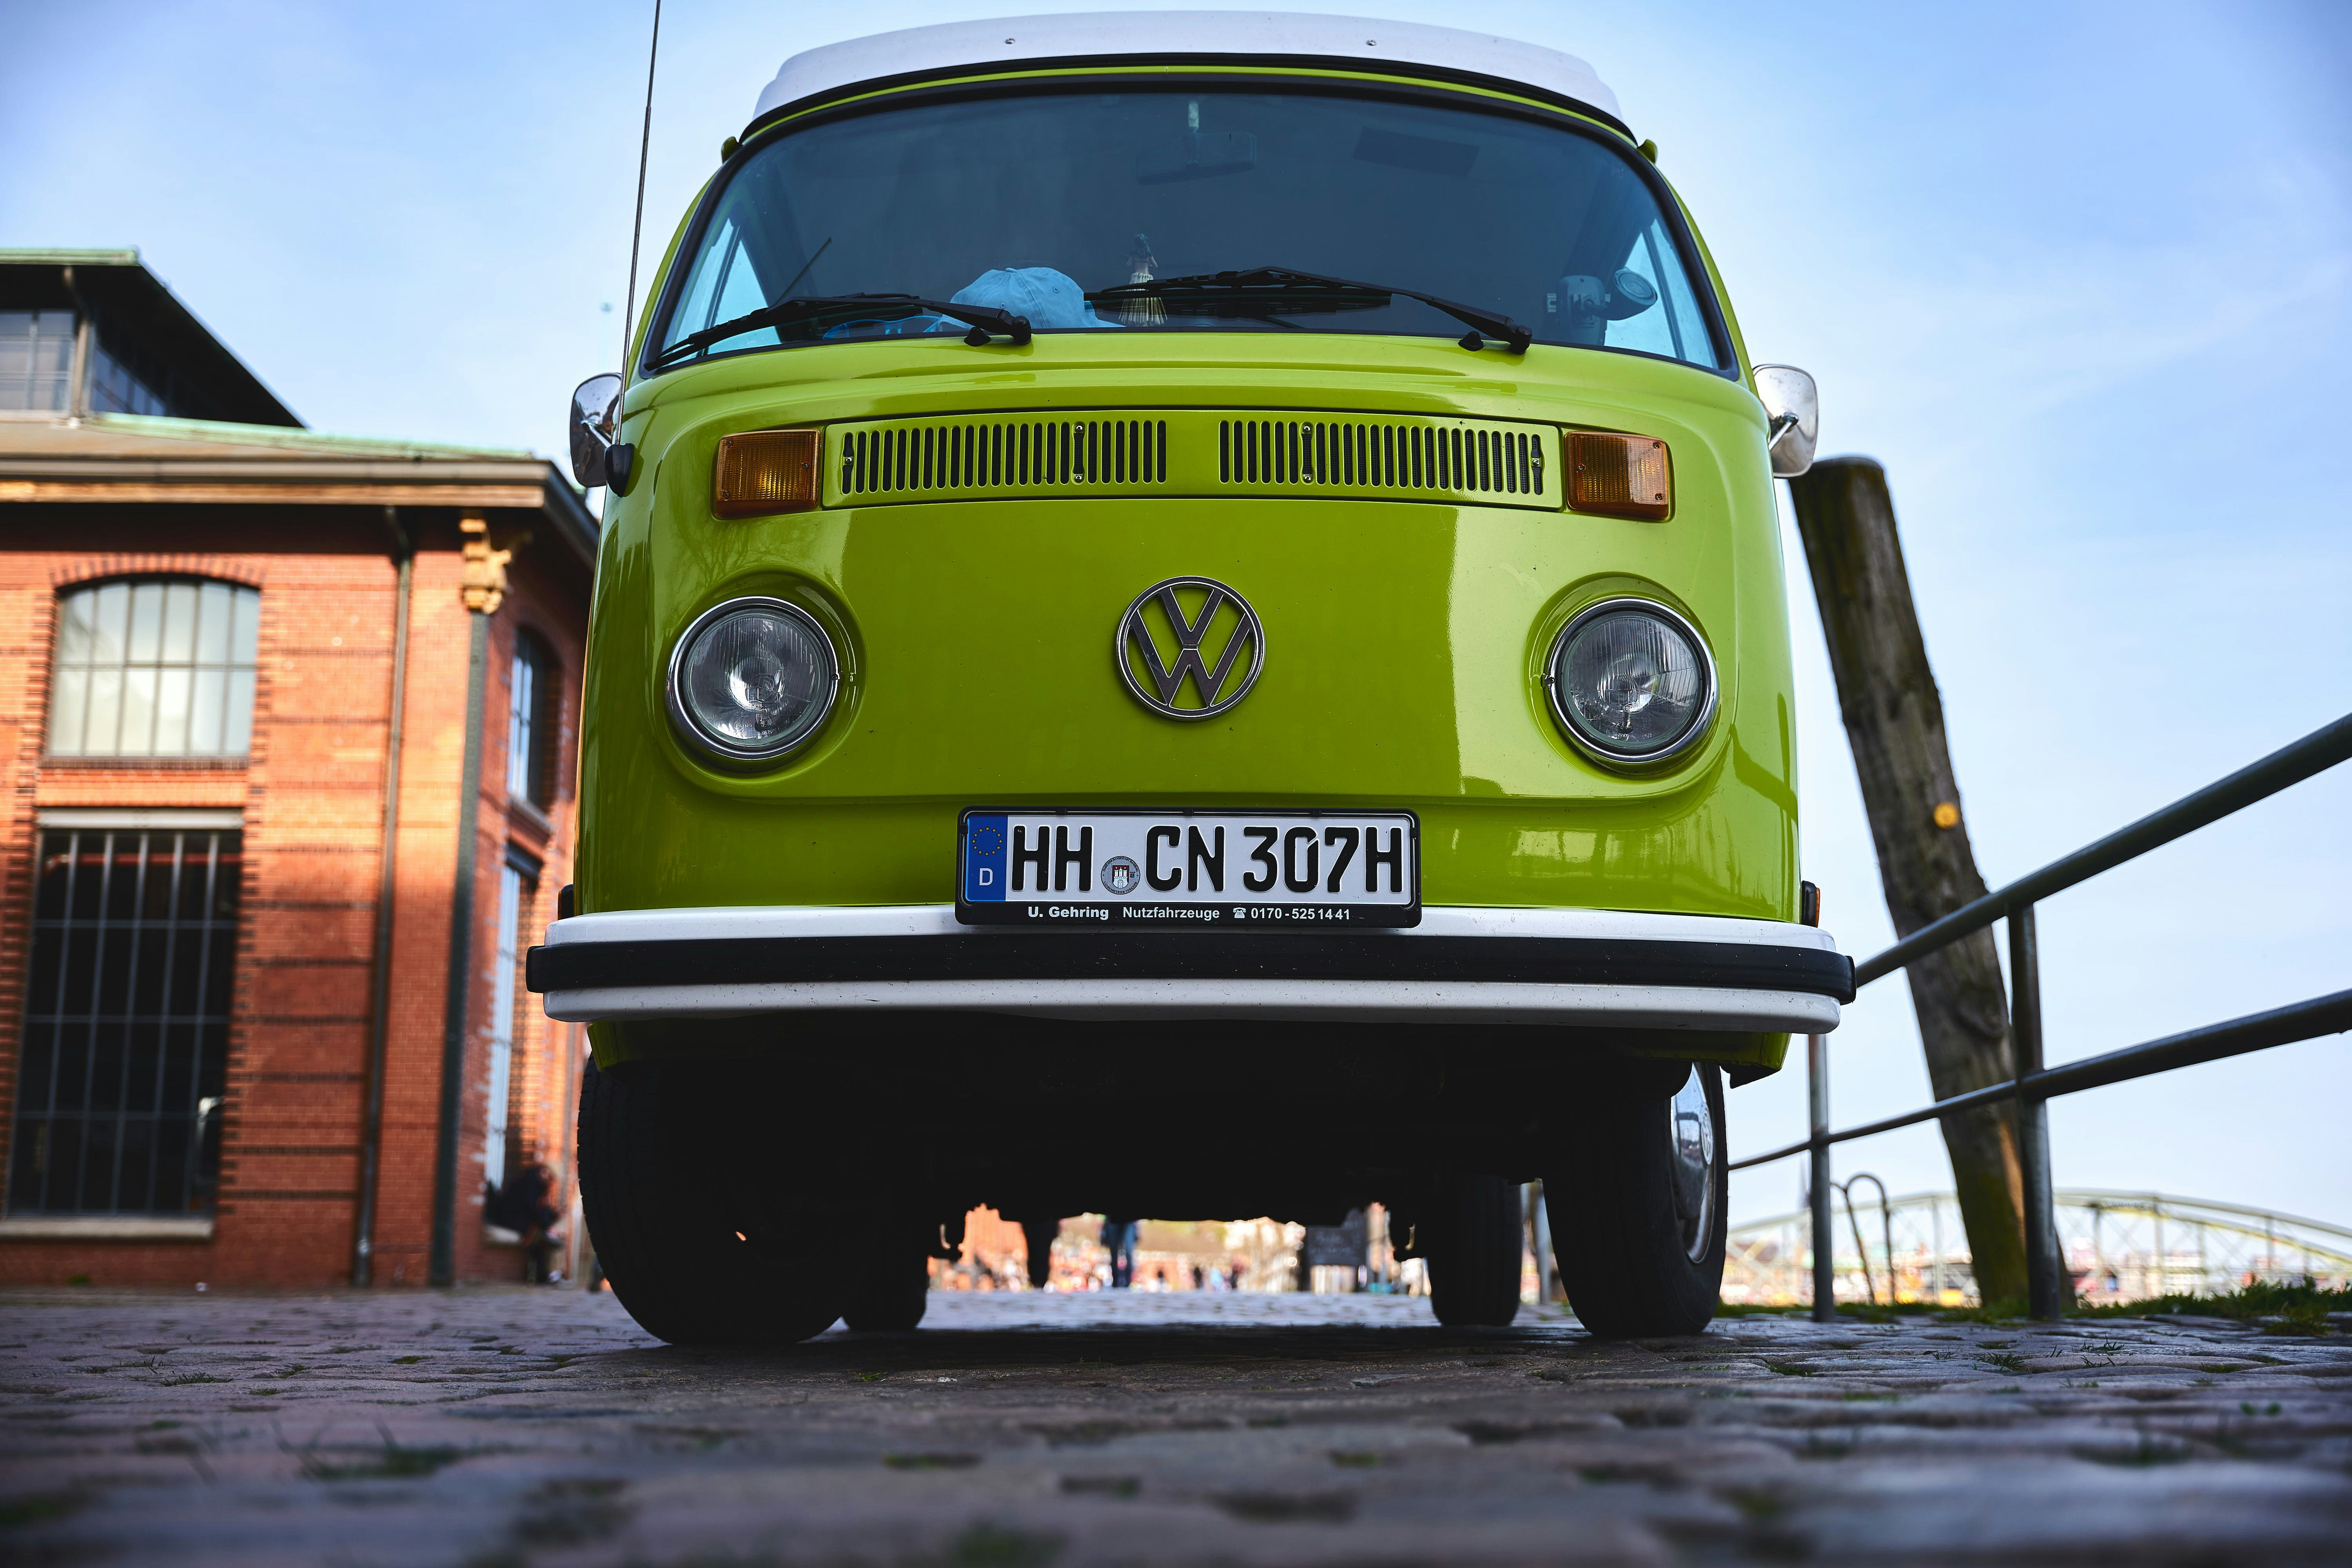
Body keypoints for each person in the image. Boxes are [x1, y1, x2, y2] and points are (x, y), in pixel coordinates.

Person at [1100, 1217, 1138, 1289]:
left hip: (1129, 1222)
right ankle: (1115, 1282)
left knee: (1129, 1252)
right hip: (1112, 1220)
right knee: (1114, 1253)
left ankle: (1128, 1283)